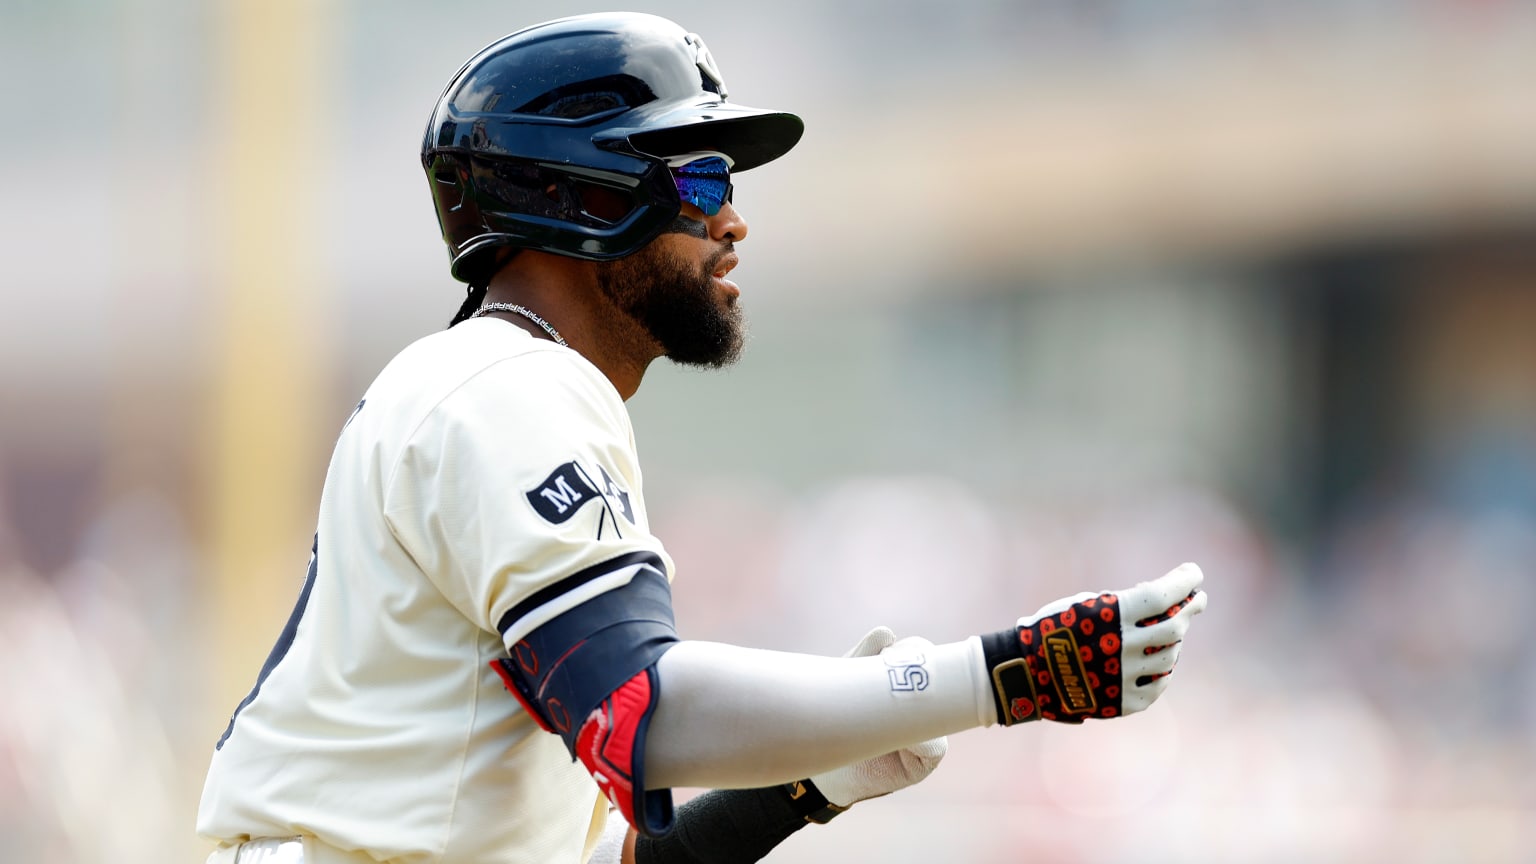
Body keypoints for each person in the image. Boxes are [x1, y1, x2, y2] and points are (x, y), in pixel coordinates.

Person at [196, 12, 1209, 864]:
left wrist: (806, 786)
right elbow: (650, 707)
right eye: (702, 180)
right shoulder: (506, 387)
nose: (733, 223)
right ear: (581, 199)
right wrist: (996, 677)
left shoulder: (493, 388)